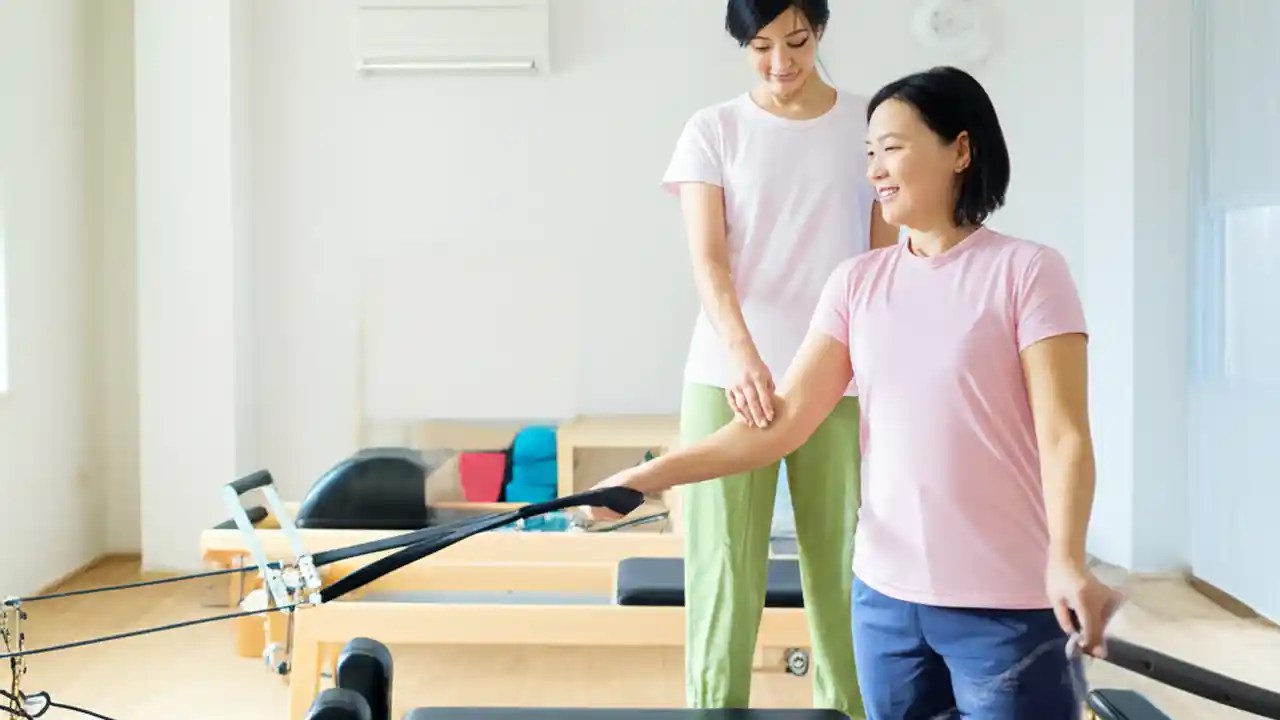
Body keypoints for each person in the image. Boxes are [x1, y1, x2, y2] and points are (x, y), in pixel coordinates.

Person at [593, 65, 1122, 719]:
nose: (874, 168)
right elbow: (781, 425)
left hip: (1004, 605)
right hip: (887, 608)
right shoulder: (857, 283)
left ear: (961, 149)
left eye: (892, 147)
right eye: (868, 152)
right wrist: (648, 477)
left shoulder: (1028, 272)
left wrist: (1068, 558)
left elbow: (1064, 435)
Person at [658, 0, 896, 715]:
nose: (781, 63)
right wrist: (744, 358)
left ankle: (853, 710)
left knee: (847, 566)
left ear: (820, 28)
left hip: (838, 379)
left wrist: (862, 362)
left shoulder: (870, 125)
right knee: (724, 572)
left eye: (795, 41)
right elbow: (708, 261)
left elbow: (883, 259)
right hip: (728, 378)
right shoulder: (713, 130)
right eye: (760, 46)